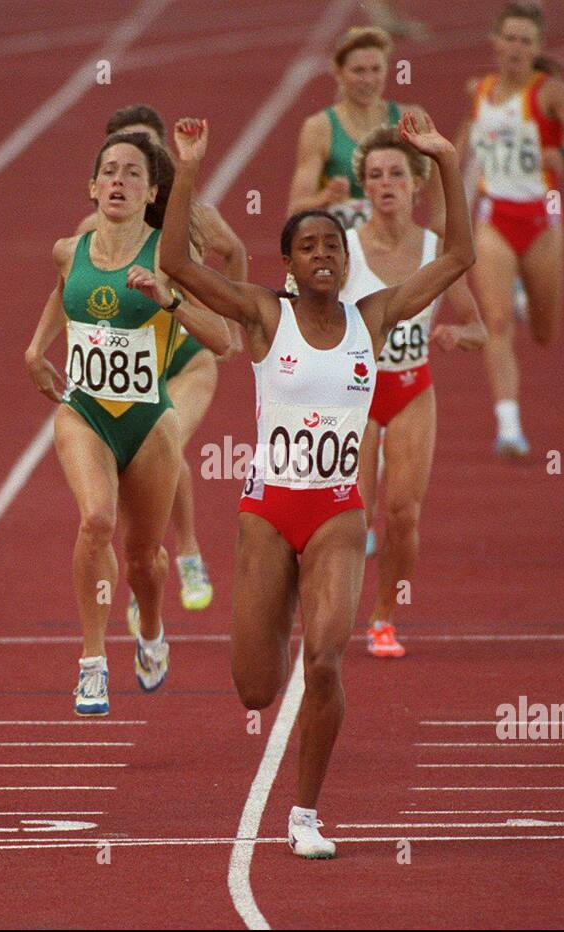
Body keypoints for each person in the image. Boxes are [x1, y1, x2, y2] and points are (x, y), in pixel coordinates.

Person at [161, 111, 473, 858]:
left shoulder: (376, 314)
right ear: (292, 265)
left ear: (346, 258)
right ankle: (279, 606)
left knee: (326, 661)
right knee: (254, 689)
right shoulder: (267, 315)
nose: (324, 256)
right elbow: (174, 260)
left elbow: (459, 252)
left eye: (333, 245)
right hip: (268, 515)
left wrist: (445, 159)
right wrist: (189, 169)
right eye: (308, 248)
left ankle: (304, 815)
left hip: (336, 513)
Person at [23, 130, 231, 716]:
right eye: (109, 171)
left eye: (133, 173)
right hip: (84, 412)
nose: (118, 180)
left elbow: (225, 341)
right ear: (92, 187)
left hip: (148, 423)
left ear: (150, 192)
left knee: (143, 558)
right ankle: (92, 662)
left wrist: (168, 299)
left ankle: (152, 629)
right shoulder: (70, 248)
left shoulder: (167, 255)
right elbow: (64, 291)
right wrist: (36, 349)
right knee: (95, 520)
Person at [71, 105, 247, 627]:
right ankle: (145, 568)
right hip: (123, 374)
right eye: (118, 161)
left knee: (164, 438)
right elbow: (72, 293)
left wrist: (231, 317)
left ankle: (187, 553)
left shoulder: (189, 214)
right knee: (131, 472)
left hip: (185, 364)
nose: (127, 171)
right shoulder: (91, 229)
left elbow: (234, 252)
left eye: (145, 157)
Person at [341, 125, 487, 658]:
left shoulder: (435, 252)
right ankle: (330, 610)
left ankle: (383, 617)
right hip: (355, 395)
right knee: (351, 512)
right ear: (363, 186)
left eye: (396, 173)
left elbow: (478, 328)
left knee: (402, 514)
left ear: (416, 184)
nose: (386, 183)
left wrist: (456, 335)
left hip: (410, 389)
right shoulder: (344, 250)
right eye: (375, 175)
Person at [455, 2, 564, 456]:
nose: (516, 48)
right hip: (494, 216)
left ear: (537, 48)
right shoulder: (480, 91)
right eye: (509, 38)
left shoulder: (549, 92)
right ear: (495, 42)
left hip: (542, 215)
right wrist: (438, 172)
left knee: (543, 331)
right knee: (496, 323)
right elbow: (464, 143)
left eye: (526, 41)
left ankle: (522, 288)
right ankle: (509, 427)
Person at [287, 26, 434, 232]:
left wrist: (438, 237)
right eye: (358, 71)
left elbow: (440, 193)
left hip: (396, 247)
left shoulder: (411, 119)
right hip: (346, 253)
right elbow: (295, 210)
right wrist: (325, 198)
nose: (369, 80)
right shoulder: (320, 127)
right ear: (338, 72)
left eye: (376, 69)